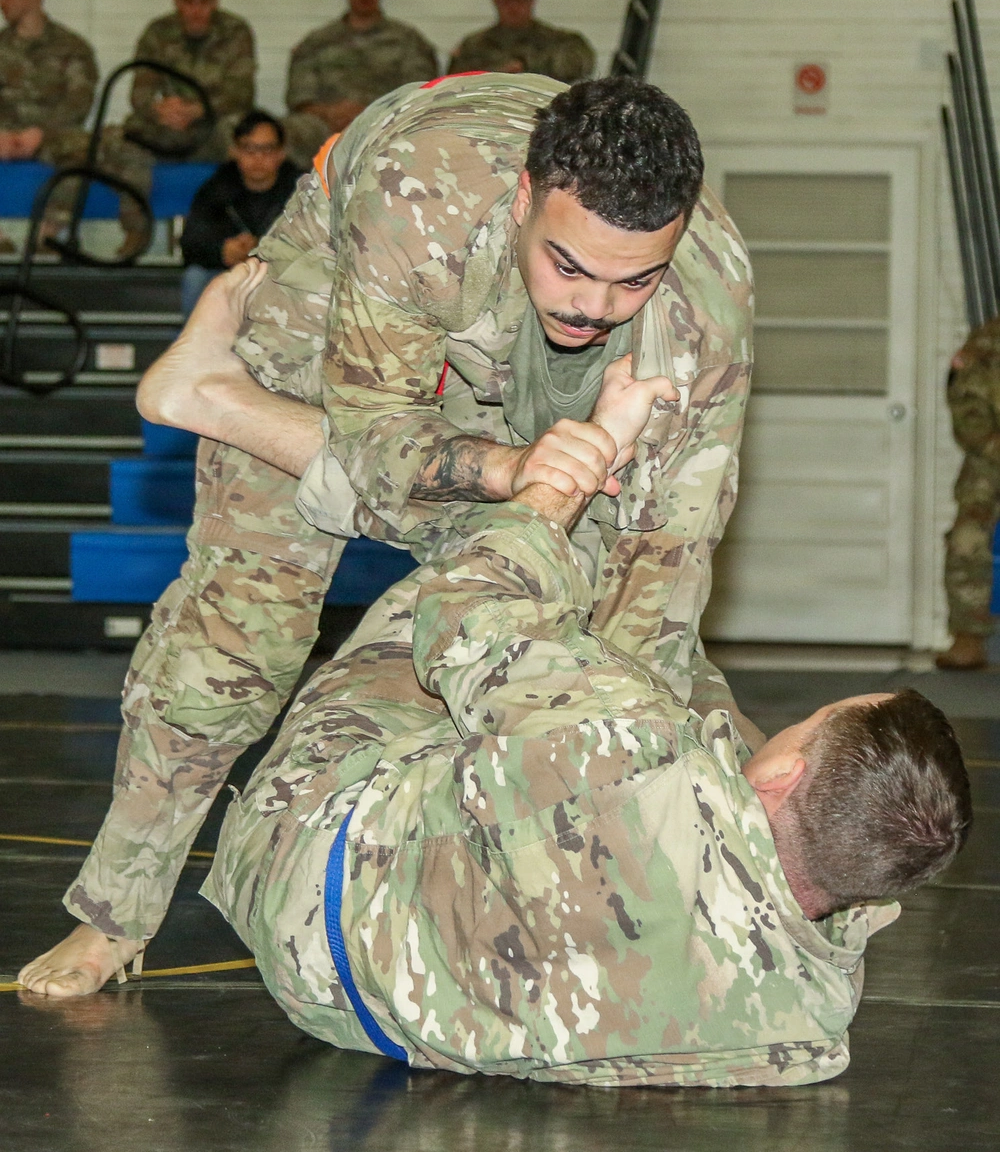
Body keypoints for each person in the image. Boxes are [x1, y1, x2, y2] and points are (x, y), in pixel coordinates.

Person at [19, 73, 754, 998]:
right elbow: (377, 446)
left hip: (497, 313)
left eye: (632, 279)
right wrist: (508, 472)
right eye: (571, 266)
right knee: (247, 624)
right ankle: (112, 915)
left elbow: (665, 578)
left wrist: (611, 767)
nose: (597, 306)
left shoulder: (701, 312)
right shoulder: (425, 199)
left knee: (583, 603)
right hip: (349, 266)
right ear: (527, 199)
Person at [198, 362, 971, 1086]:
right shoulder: (811, 1025)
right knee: (609, 658)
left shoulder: (625, 753)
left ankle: (220, 401)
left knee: (477, 560)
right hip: (390, 1018)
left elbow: (466, 610)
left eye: (808, 721)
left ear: (784, 774)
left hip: (302, 873)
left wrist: (559, 484)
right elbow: (698, 737)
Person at [94, 0, 256, 259]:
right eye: (189, 1)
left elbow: (242, 92)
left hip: (211, 130)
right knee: (123, 138)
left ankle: (245, 232)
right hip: (166, 129)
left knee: (247, 137)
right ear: (177, 2)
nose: (196, 10)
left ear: (215, 2)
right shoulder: (158, 33)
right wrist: (160, 110)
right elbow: (139, 91)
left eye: (203, 2)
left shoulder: (235, 32)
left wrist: (197, 110)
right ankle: (137, 231)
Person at [283, 0, 437, 167]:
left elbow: (421, 94)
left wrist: (366, 112)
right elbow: (299, 98)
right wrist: (332, 113)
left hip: (385, 125)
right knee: (285, 132)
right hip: (326, 129)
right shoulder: (316, 42)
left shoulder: (408, 40)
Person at [178, 109, 300, 316]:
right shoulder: (216, 188)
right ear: (234, 152)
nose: (258, 158)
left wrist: (262, 251)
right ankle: (200, 347)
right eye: (249, 149)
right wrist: (222, 251)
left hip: (283, 275)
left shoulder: (302, 190)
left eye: (267, 149)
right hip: (229, 272)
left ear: (281, 154)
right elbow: (190, 243)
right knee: (195, 277)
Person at [937, 319, 1000, 669]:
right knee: (967, 539)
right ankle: (968, 636)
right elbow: (966, 402)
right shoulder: (990, 340)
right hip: (991, 459)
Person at [0, 0, 98, 166]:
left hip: (52, 137)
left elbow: (79, 102)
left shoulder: (71, 47)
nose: (2, 0)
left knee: (95, 154)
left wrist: (41, 132)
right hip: (3, 136)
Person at [448, 0, 596, 85]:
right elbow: (453, 82)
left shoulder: (561, 41)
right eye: (506, 0)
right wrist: (499, 72)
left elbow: (581, 64)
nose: (513, 7)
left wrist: (526, 65)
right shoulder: (473, 45)